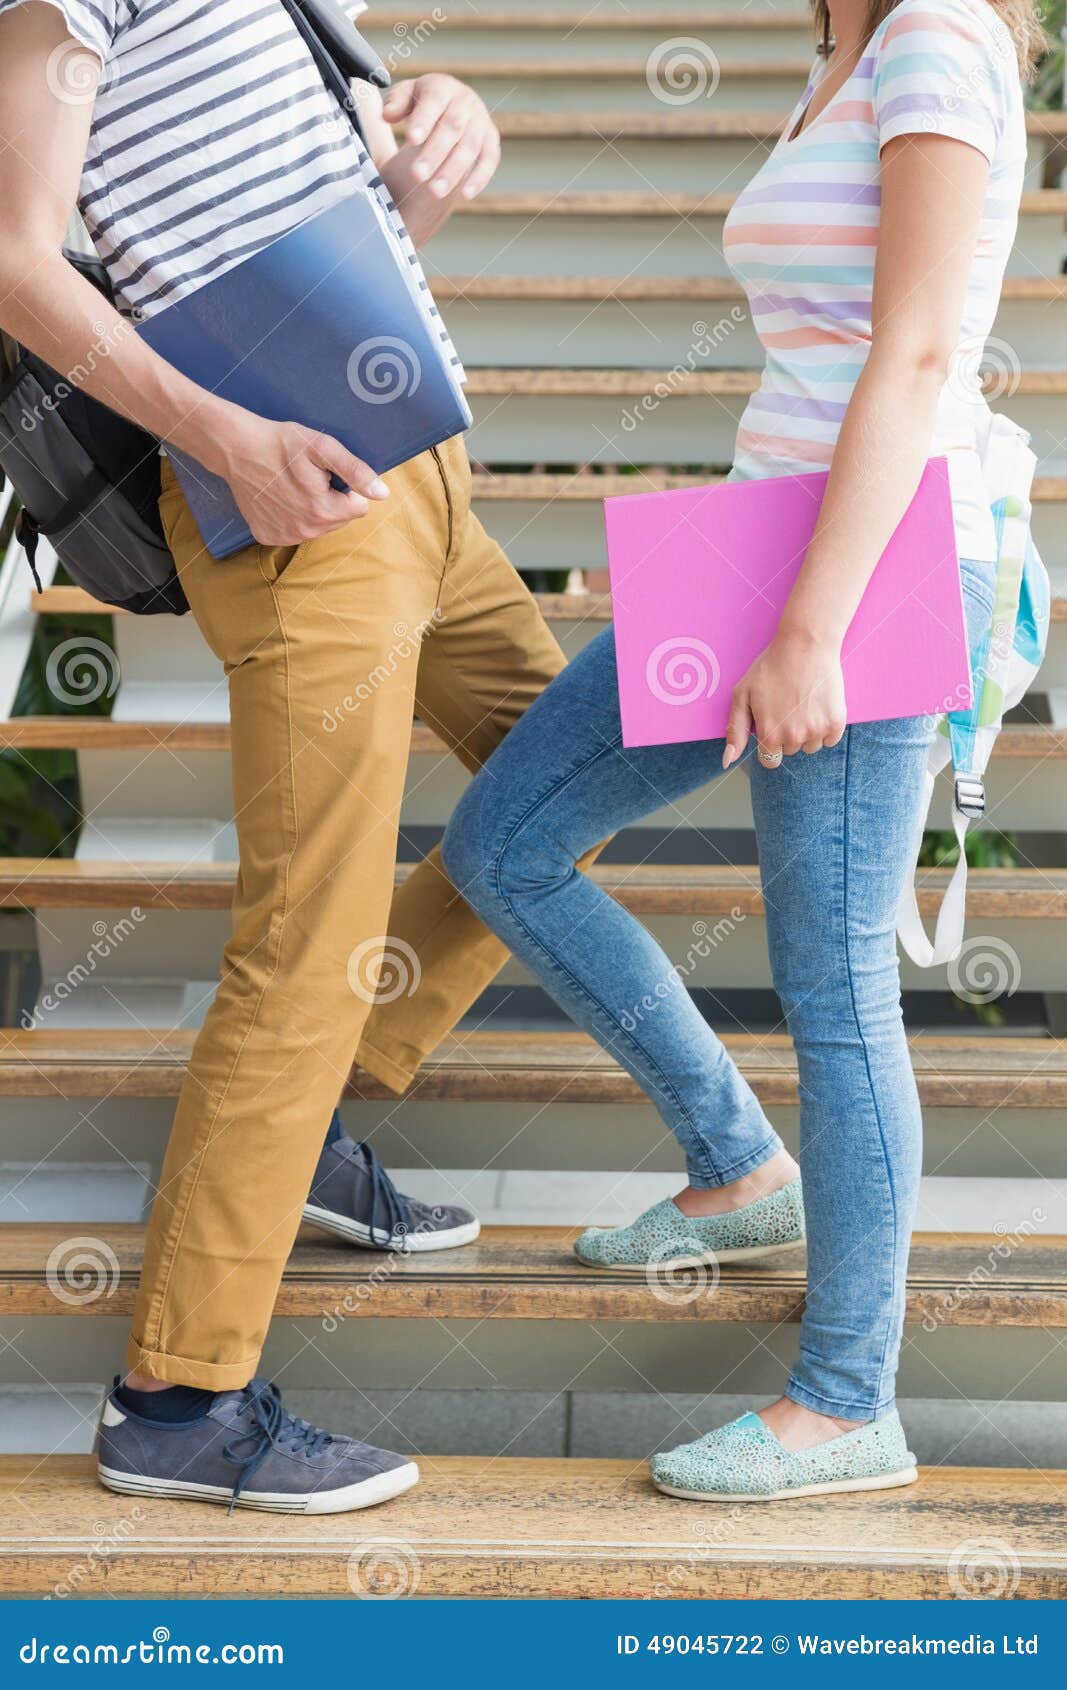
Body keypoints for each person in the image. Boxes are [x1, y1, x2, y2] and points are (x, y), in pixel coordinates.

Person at [441, 0, 1043, 1502]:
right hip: (761, 533)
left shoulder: (939, 32)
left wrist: (810, 628)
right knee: (502, 843)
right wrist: (743, 583)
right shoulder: (839, 45)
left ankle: (850, 1402)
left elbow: (911, 355)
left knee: (835, 988)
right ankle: (738, 1167)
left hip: (873, 560)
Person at [0, 0, 570, 1513]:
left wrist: (443, 135)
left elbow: (338, 225)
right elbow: (14, 254)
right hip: (298, 500)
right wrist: (227, 434)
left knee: (575, 760)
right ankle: (177, 1396)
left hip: (420, 471)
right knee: (307, 937)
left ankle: (315, 1111)